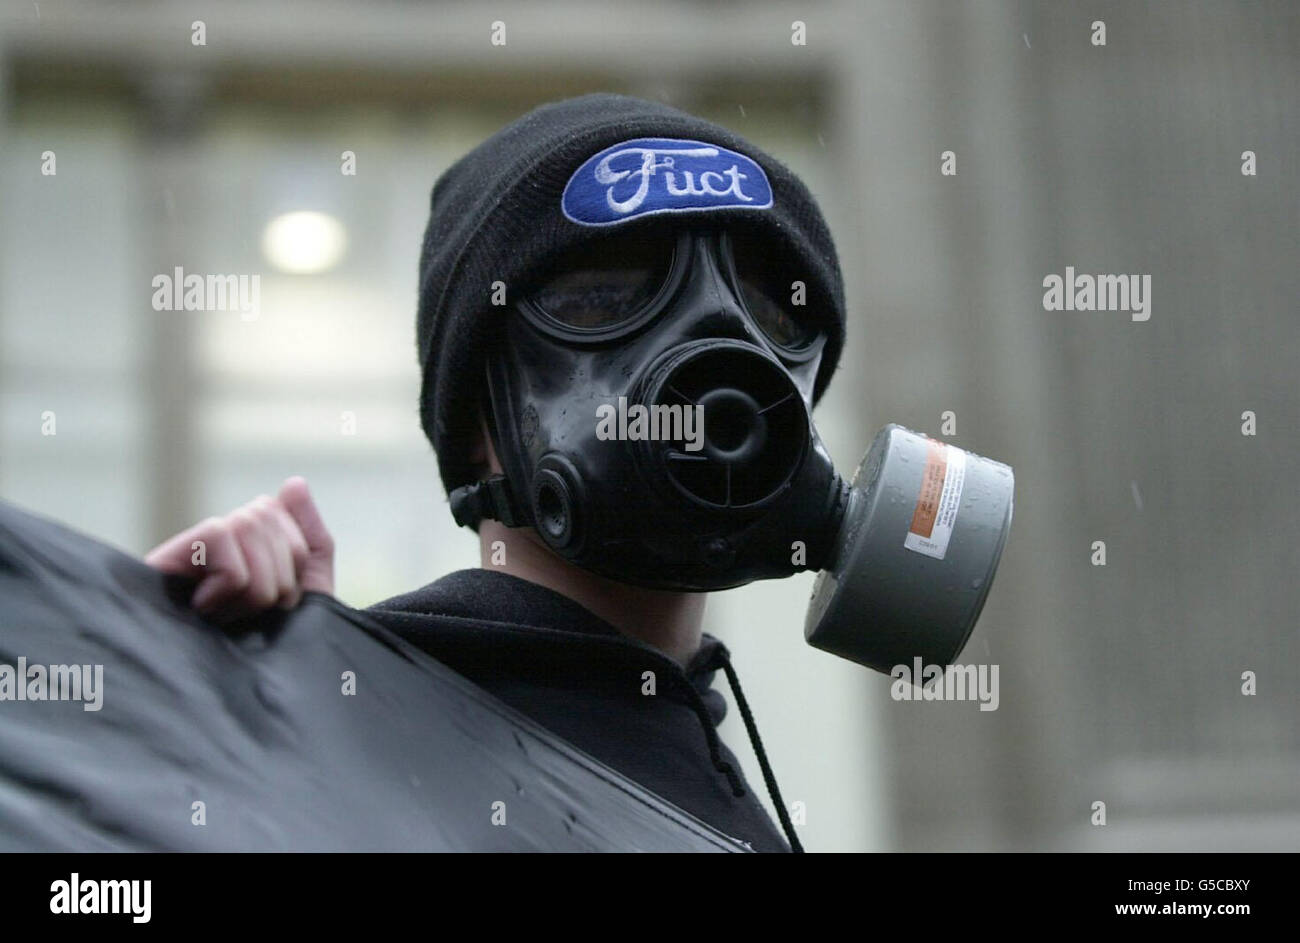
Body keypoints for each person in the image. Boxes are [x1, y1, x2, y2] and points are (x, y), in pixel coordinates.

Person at [145, 93, 851, 853]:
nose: (724, 360)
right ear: (478, 420)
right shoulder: (352, 723)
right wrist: (147, 699)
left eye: (775, 316)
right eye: (606, 297)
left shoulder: (712, 777)